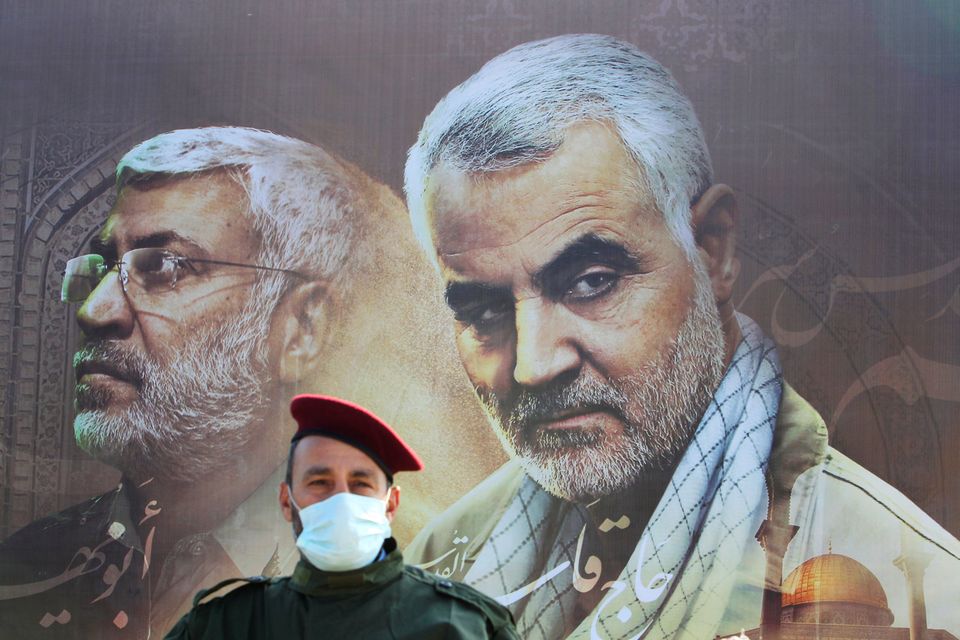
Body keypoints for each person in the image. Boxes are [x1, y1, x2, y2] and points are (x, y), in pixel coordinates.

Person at [402, 34, 960, 639]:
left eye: (591, 281)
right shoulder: (438, 566)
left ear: (713, 252)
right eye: (484, 313)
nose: (535, 364)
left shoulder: (904, 584)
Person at [0, 127, 494, 638]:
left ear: (302, 328)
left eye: (164, 267)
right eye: (105, 266)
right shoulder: (27, 568)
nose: (94, 310)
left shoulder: (430, 584)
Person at [164, 394, 519, 639]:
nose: (341, 500)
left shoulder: (465, 626)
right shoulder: (224, 626)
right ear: (287, 501)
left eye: (361, 484)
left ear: (391, 504)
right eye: (320, 482)